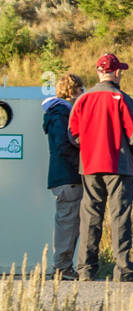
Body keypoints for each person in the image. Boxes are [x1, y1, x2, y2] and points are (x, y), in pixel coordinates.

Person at [68, 53, 133, 282]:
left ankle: (85, 270)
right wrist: (131, 149)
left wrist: (88, 146)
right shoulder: (121, 98)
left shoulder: (83, 99)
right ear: (117, 72)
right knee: (120, 216)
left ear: (99, 72)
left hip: (90, 165)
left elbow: (72, 133)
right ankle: (123, 269)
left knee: (90, 217)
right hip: (118, 165)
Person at [41, 73, 85, 280]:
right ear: (72, 91)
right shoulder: (61, 114)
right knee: (68, 221)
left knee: (67, 220)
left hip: (62, 175)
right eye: (81, 90)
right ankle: (62, 267)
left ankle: (63, 265)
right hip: (68, 176)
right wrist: (81, 164)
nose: (83, 94)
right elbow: (62, 146)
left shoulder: (56, 113)